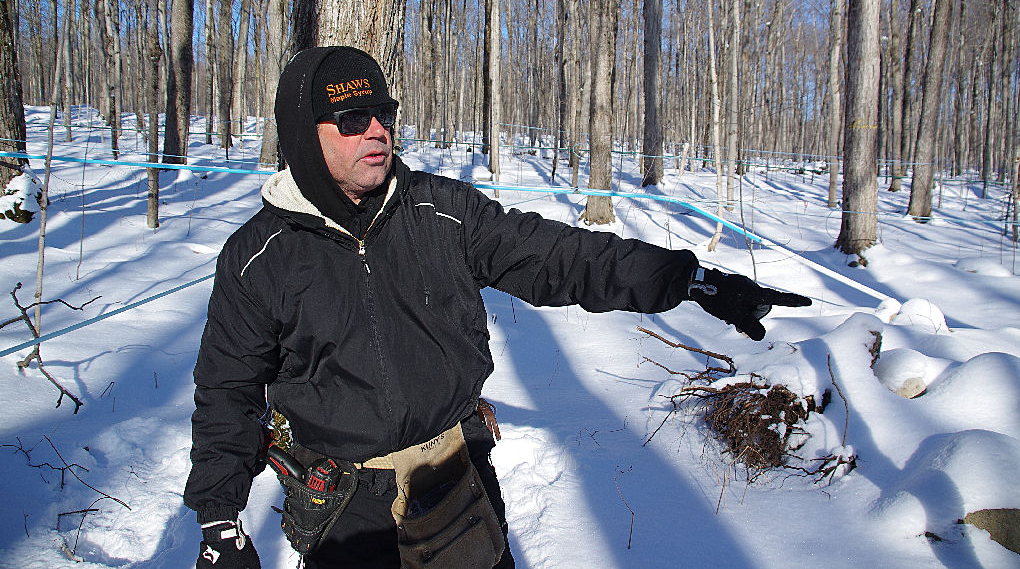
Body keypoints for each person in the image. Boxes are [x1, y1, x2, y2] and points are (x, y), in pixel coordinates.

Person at [184, 46, 811, 569]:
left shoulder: (442, 213)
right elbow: (226, 392)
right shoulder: (258, 259)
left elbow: (564, 257)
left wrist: (694, 280)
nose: (377, 130)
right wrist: (217, 517)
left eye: (383, 112)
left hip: (458, 488)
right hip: (347, 513)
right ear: (303, 133)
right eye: (352, 119)